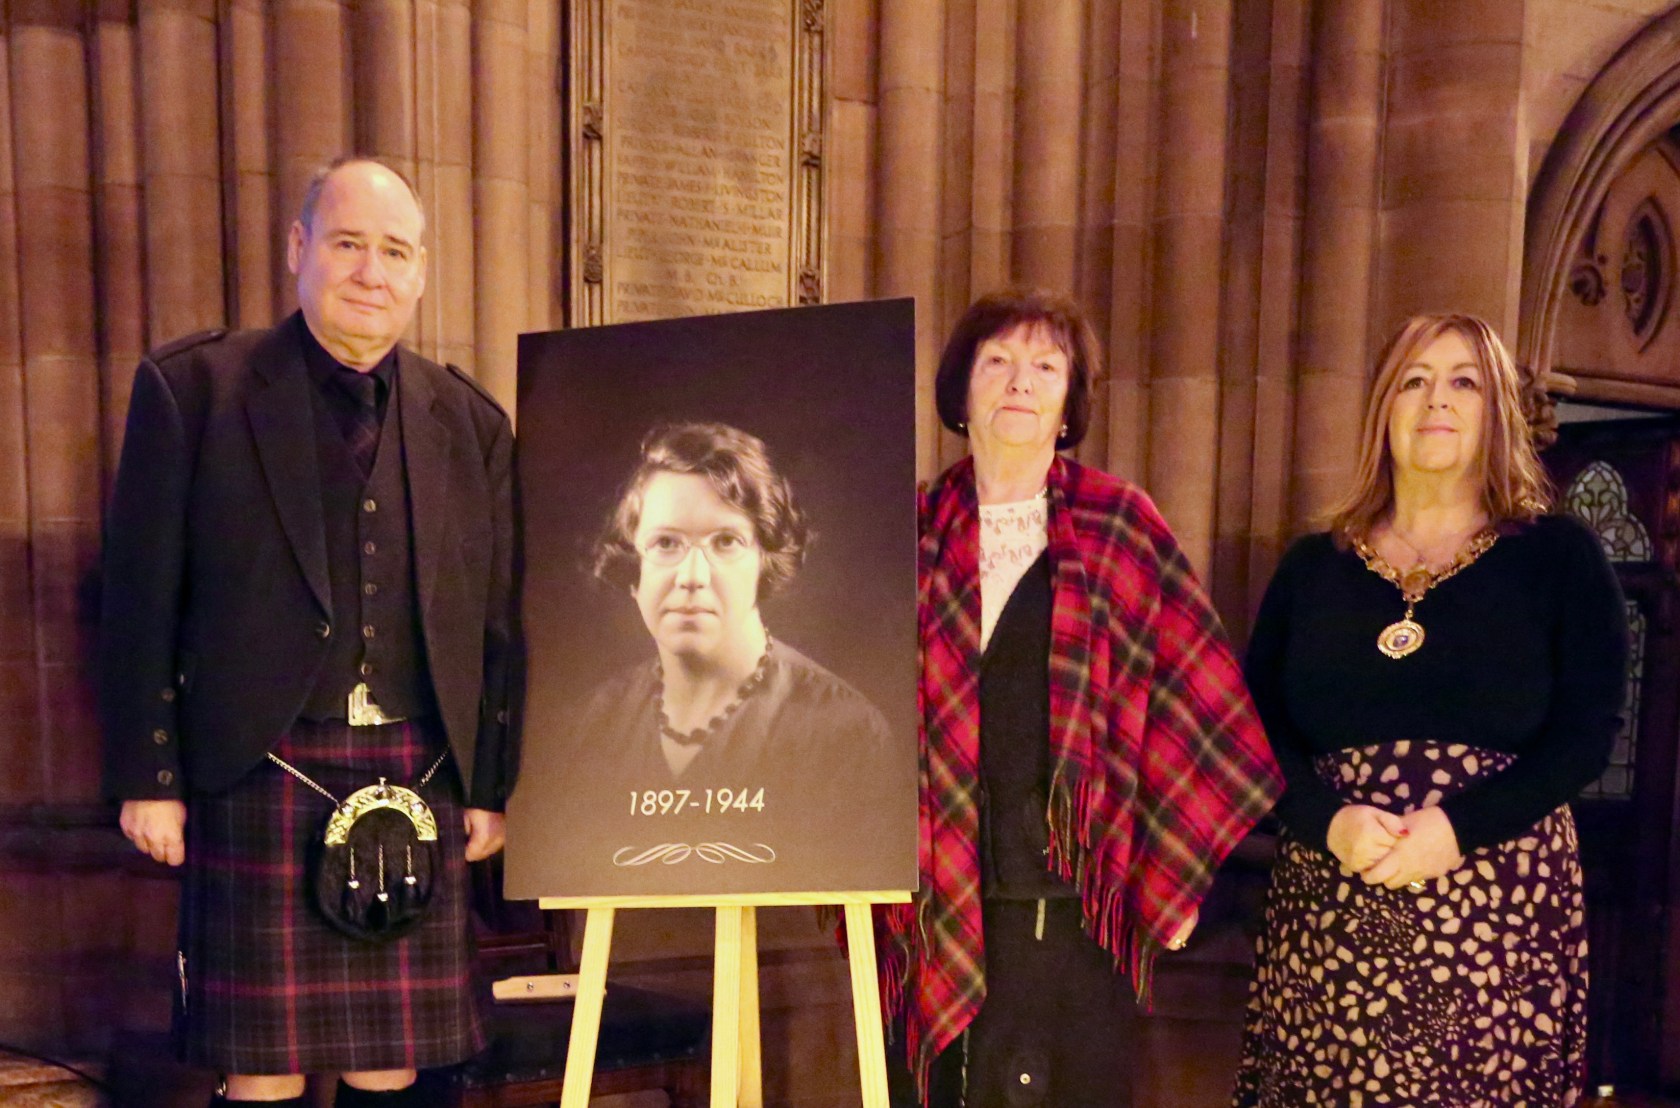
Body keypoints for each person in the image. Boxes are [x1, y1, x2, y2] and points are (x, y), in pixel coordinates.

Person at [99, 157, 520, 1107]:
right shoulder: (195, 391)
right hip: (258, 766)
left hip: (418, 771)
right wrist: (149, 777)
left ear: (420, 272)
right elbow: (138, 601)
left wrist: (489, 782)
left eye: (396, 251)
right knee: (261, 1065)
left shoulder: (471, 423)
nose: (373, 271)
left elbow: (494, 623)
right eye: (348, 243)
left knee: (394, 1060)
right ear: (298, 249)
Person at [881, 289, 1282, 1107]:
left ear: (1071, 401)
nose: (1018, 382)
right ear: (962, 393)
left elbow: (1198, 700)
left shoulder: (1120, 525)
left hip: (1071, 901)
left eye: (1044, 366)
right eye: (997, 362)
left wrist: (1173, 870)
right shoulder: (906, 530)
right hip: (933, 889)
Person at [1232, 313, 1629, 1106]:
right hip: (1333, 901)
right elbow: (1255, 732)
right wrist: (1330, 822)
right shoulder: (1315, 567)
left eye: (1463, 382)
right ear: (1384, 407)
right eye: (1414, 380)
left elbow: (1585, 738)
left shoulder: (1558, 557)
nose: (1436, 401)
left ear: (1497, 412)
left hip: (1497, 905)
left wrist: (1455, 829)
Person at [565, 423, 892, 862]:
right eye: (666, 543)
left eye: (726, 542)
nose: (693, 577)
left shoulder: (846, 732)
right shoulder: (593, 725)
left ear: (765, 561)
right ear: (631, 570)